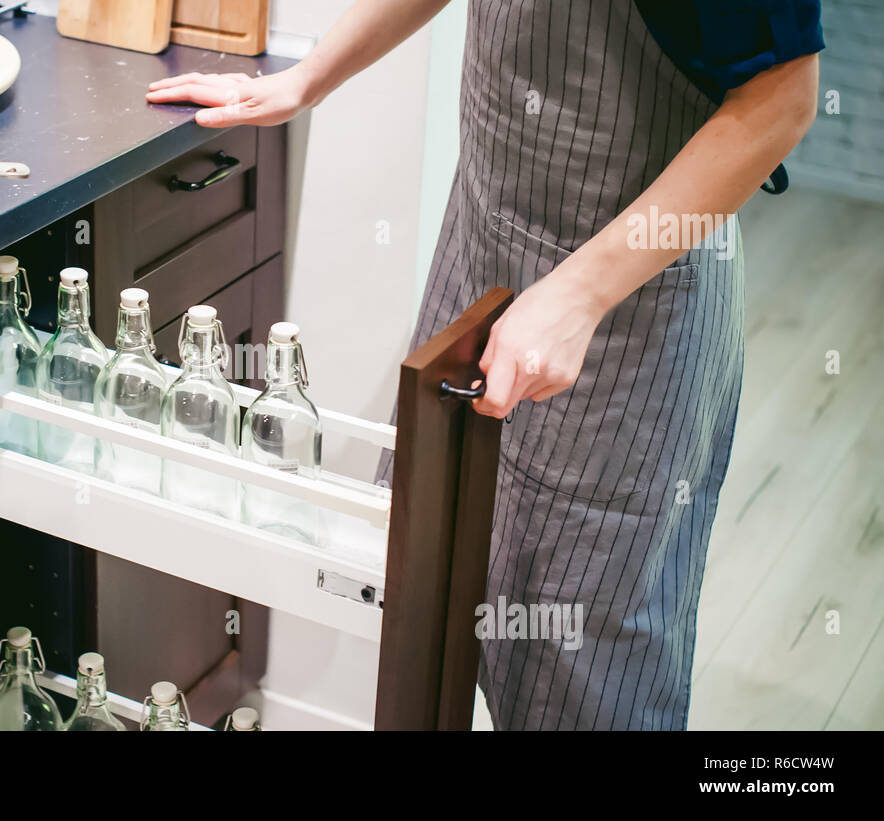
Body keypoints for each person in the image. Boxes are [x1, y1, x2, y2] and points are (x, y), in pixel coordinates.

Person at [146, 0, 824, 730]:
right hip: (481, 257)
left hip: (625, 324)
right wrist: (309, 77)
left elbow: (783, 100)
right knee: (425, 617)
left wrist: (580, 292)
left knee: (577, 673)